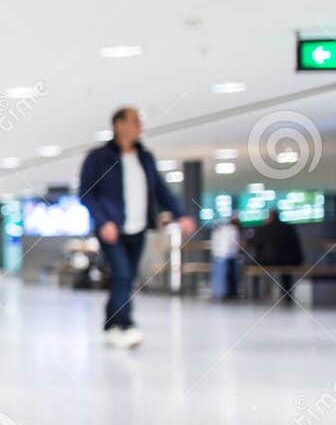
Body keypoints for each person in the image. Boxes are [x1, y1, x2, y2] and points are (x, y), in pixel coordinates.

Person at [76, 105, 196, 348]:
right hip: (112, 230)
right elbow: (86, 194)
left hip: (139, 228)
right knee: (121, 274)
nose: (140, 126)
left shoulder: (145, 158)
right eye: (135, 121)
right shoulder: (98, 158)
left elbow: (161, 191)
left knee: (126, 277)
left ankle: (110, 326)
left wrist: (180, 215)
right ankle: (126, 325)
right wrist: (102, 221)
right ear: (119, 125)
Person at [251, 208, 303, 305]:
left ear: (269, 217)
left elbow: (254, 243)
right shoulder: (288, 228)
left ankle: (255, 295)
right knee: (286, 273)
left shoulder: (263, 229)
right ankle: (287, 297)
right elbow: (296, 245)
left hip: (266, 261)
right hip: (288, 261)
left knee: (254, 269)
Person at [209, 213, 240, 300]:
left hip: (219, 256)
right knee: (228, 275)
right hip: (227, 256)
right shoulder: (233, 230)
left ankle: (220, 293)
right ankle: (229, 293)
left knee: (220, 276)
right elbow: (233, 245)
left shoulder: (219, 229)